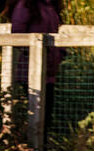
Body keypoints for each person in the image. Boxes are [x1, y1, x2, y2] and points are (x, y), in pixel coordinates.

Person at [5, 0, 63, 136]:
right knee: (34, 115)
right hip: (30, 72)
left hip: (49, 73)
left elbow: (55, 33)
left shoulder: (50, 6)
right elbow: (17, 34)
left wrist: (60, 53)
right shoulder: (25, 5)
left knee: (46, 118)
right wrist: (35, 51)